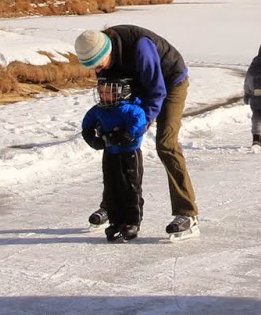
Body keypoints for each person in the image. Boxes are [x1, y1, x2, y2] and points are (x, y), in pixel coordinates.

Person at [75, 27, 201, 240]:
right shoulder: (97, 51)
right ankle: (112, 206)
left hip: (170, 82)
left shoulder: (140, 48)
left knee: (165, 144)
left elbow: (157, 91)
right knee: (115, 145)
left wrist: (140, 125)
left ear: (108, 53)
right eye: (92, 68)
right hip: (135, 83)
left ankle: (187, 213)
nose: (97, 71)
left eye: (99, 65)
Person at [81, 76, 150, 241]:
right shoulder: (99, 110)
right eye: (101, 92)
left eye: (108, 92)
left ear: (122, 93)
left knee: (130, 187)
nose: (104, 96)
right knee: (111, 187)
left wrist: (123, 135)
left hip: (129, 154)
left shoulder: (132, 109)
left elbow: (139, 125)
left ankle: (132, 222)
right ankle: (115, 221)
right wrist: (92, 138)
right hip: (110, 153)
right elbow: (87, 124)